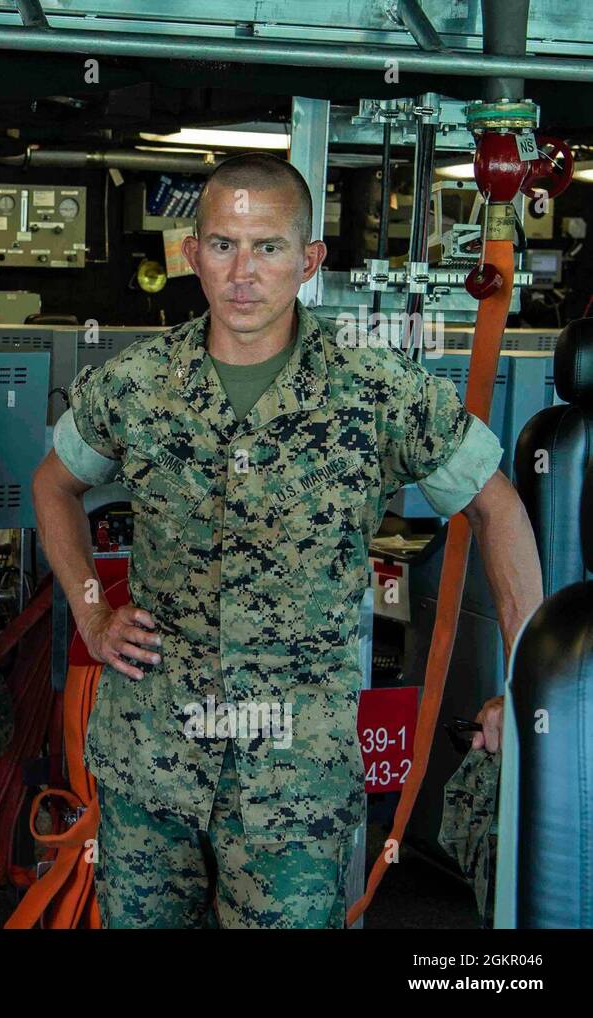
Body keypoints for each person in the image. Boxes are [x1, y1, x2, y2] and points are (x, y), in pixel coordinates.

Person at [32, 152, 544, 929]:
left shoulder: (377, 390)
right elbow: (53, 486)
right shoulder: (136, 384)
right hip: (151, 758)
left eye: (268, 247)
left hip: (293, 780)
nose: (244, 272)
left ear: (307, 261)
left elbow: (500, 511)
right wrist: (92, 609)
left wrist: (525, 682)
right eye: (224, 245)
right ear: (192, 254)